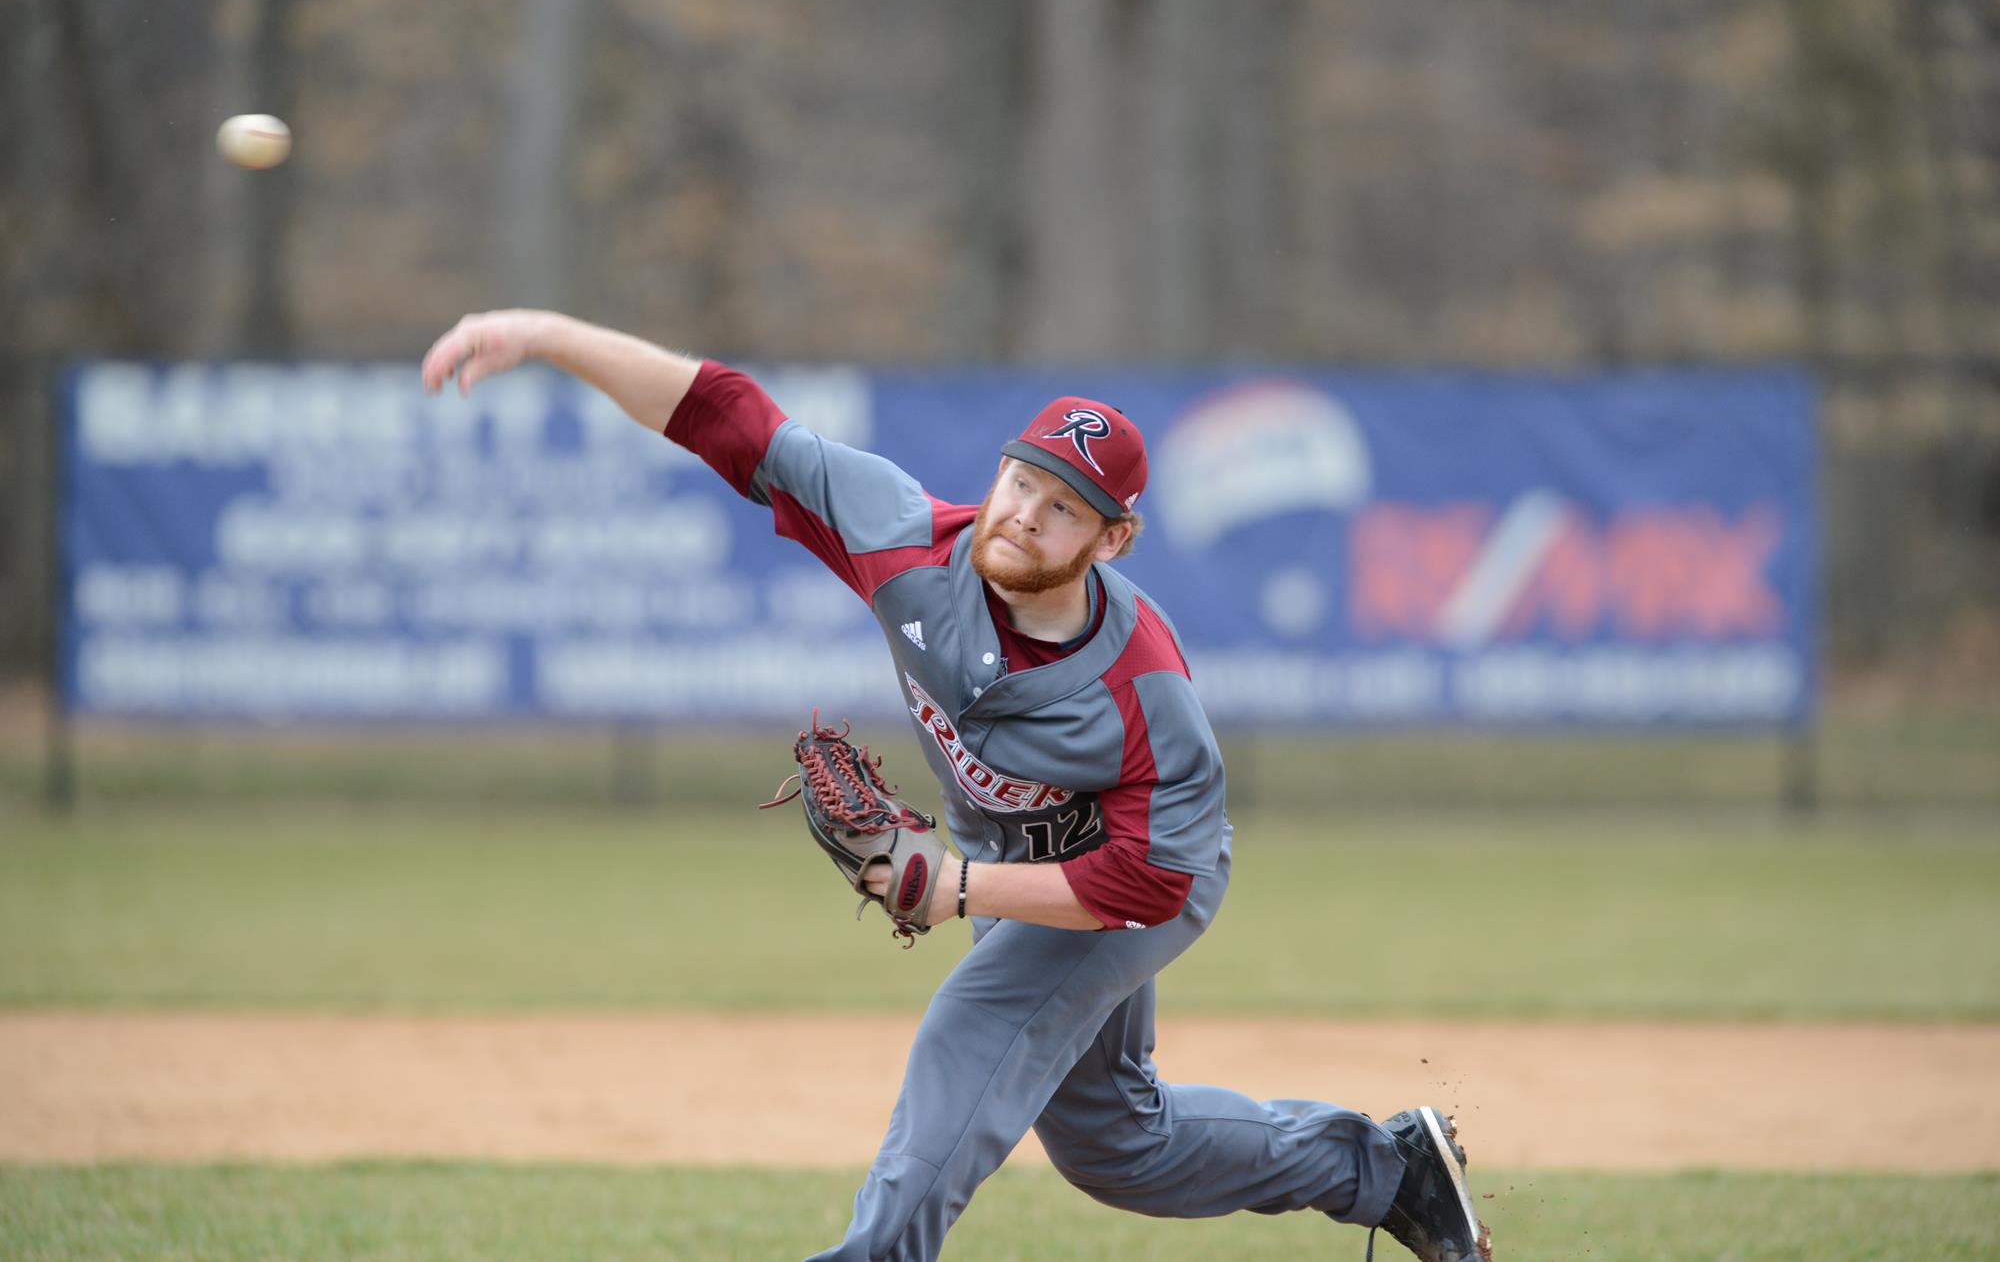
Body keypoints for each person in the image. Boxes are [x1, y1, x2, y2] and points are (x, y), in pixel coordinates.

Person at [419, 310, 1493, 1262]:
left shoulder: (1143, 691)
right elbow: (726, 417)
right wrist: (546, 335)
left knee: (970, 1026)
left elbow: (1149, 882)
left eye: (1064, 507)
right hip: (1007, 862)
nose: (1025, 513)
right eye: (1022, 480)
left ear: (1112, 539)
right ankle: (1386, 1169)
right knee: (1118, 1145)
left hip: (1137, 874)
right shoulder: (903, 541)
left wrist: (956, 888)